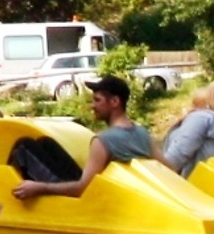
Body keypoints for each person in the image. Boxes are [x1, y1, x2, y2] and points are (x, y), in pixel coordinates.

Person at [11, 75, 151, 203]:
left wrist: (39, 187)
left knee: (24, 146)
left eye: (97, 100)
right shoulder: (143, 134)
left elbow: (83, 189)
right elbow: (167, 168)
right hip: (126, 194)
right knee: (46, 144)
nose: (93, 106)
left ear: (115, 102)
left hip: (97, 202)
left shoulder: (103, 141)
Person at [160, 84, 214, 177]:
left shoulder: (201, 117)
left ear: (202, 104)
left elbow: (180, 152)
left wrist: (159, 173)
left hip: (195, 183)